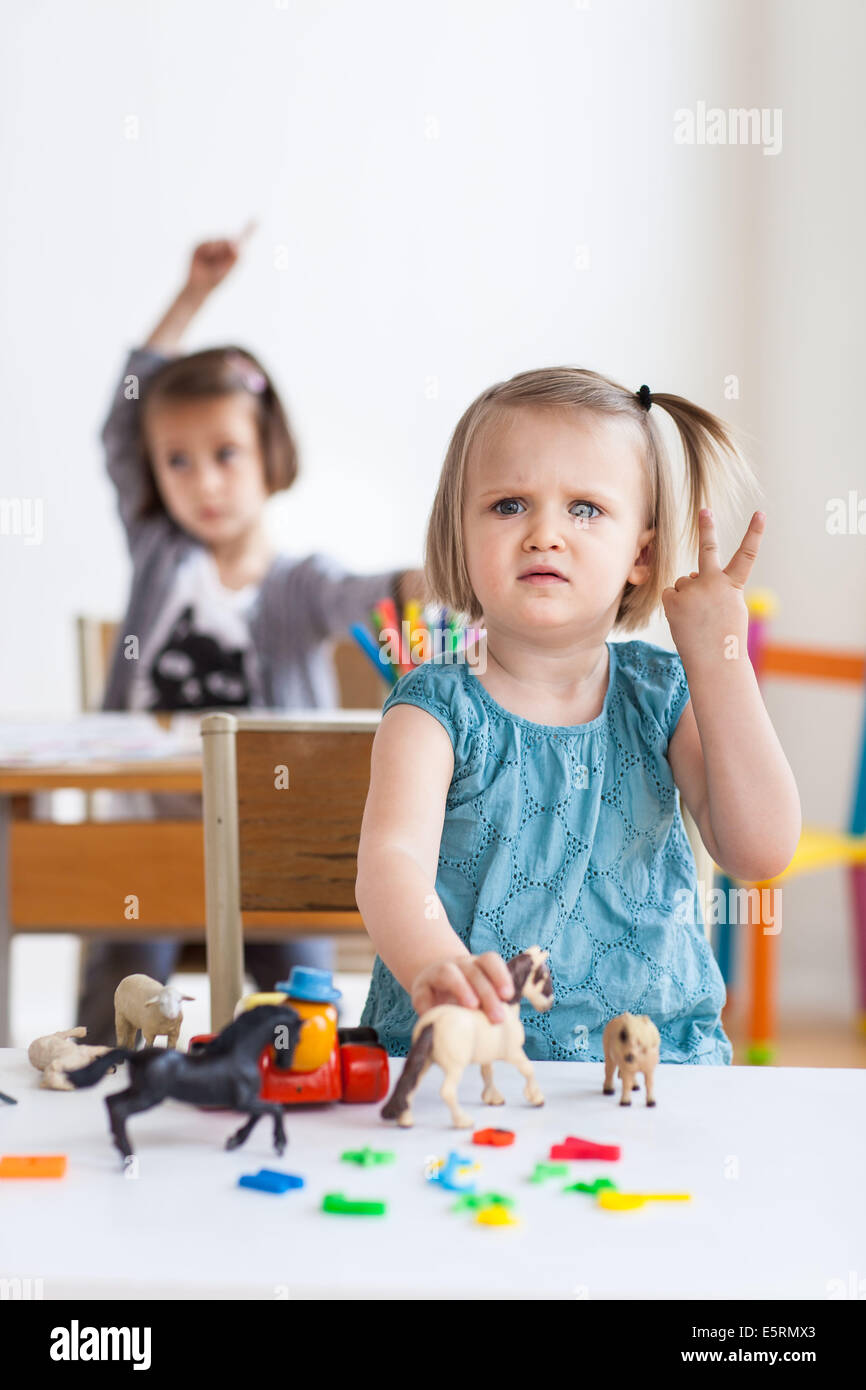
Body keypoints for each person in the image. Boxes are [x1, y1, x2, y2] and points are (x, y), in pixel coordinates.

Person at [356, 368, 801, 1063]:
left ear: (642, 555)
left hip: (656, 1068)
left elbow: (760, 849)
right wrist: (434, 961)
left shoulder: (662, 696)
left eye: (585, 510)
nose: (544, 533)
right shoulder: (433, 711)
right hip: (469, 1058)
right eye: (508, 505)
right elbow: (392, 862)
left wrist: (720, 657)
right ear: (459, 533)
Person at [78, 232, 422, 1044]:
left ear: (270, 454)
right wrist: (189, 299)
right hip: (152, 832)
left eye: (225, 454)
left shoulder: (298, 585)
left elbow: (377, 592)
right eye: (178, 461)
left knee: (307, 1013)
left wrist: (433, 574)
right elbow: (121, 421)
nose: (202, 481)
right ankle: (100, 1091)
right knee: (115, 999)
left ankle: (310, 1082)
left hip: (268, 838)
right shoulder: (160, 557)